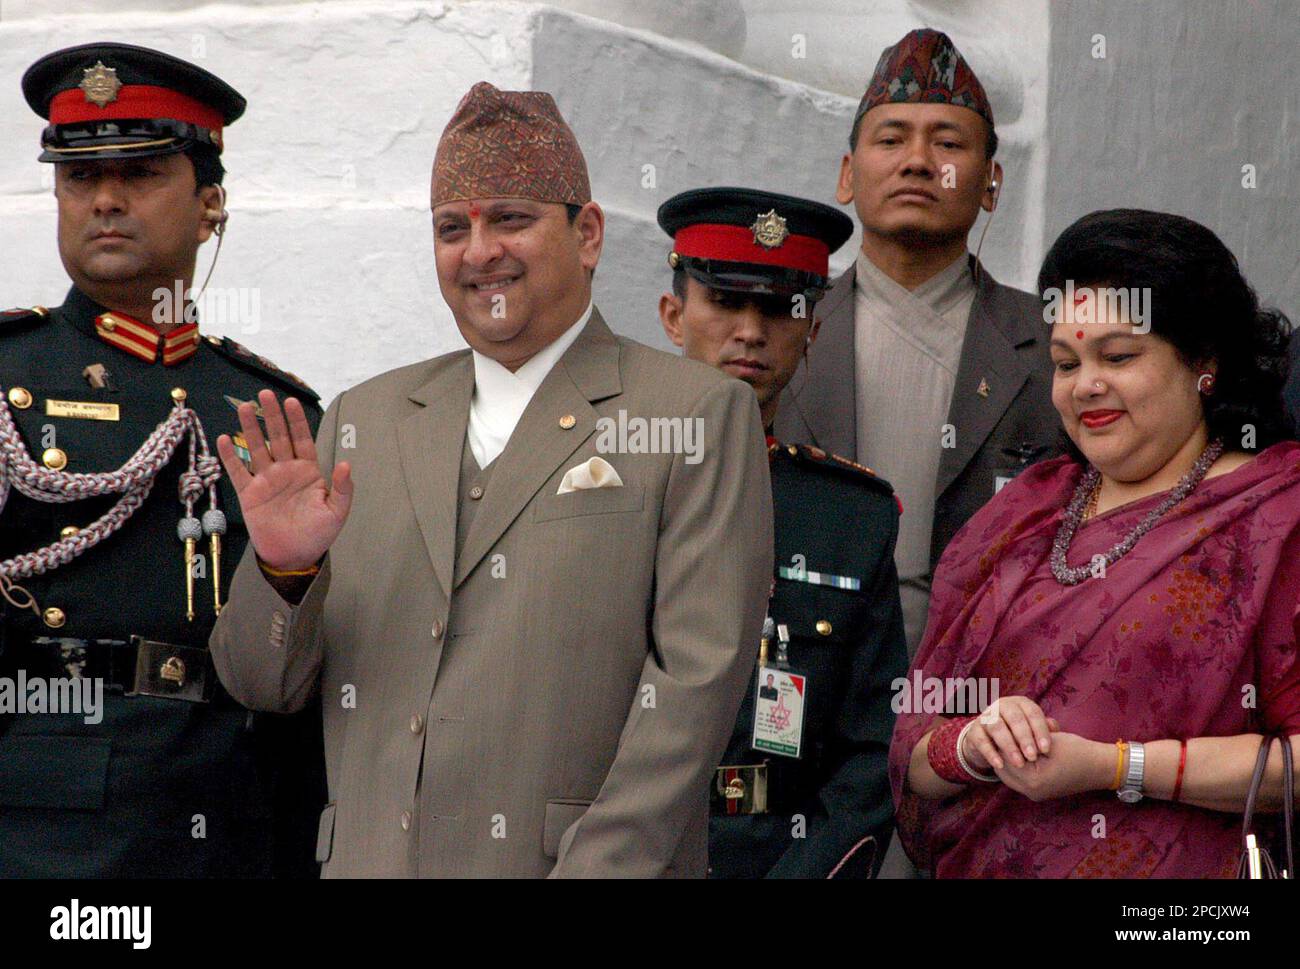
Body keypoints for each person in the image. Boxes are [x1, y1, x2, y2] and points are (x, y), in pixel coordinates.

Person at [208, 82, 773, 877]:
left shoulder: (694, 414)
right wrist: (284, 573)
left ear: (589, 234)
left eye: (511, 218)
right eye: (451, 228)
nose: (478, 251)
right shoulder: (360, 420)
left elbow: (694, 692)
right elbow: (262, 685)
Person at [889, 208, 1300, 878]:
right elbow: (913, 748)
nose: (1085, 385)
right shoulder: (1022, 512)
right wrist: (973, 745)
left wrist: (1116, 766)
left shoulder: (1276, 512)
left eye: (1118, 356)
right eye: (1064, 362)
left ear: (1203, 362)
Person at [0, 42, 326, 877]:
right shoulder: (11, 377)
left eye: (141, 173)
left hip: (232, 811)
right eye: (79, 178)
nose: (105, 200)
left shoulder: (271, 408)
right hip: (46, 821)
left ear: (211, 202)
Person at [773, 28, 1061, 657]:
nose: (918, 161)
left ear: (990, 184)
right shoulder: (781, 329)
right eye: (891, 138)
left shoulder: (1052, 347)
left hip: (991, 697)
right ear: (848, 175)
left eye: (949, 143)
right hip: (804, 685)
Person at [657, 187, 907, 878]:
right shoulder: (597, 482)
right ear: (673, 316)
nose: (751, 330)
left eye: (777, 309)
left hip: (776, 858)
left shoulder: (851, 517)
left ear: (812, 332)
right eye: (726, 302)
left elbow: (872, 745)